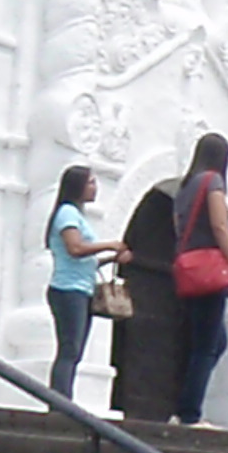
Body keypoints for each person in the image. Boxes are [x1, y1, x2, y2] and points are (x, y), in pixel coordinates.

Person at [171, 132, 228, 427]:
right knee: (206, 345)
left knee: (213, 341)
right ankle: (189, 413)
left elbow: (178, 227)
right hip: (210, 269)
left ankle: (186, 401)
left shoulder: (185, 187)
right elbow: (219, 225)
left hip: (190, 268)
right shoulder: (213, 182)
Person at [44, 165, 131, 399]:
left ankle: (62, 398)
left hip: (80, 288)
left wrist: (113, 257)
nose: (95, 187)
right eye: (91, 182)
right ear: (78, 186)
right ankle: (60, 400)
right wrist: (109, 245)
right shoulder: (68, 213)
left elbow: (86, 260)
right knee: (69, 349)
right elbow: (75, 248)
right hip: (68, 289)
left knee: (74, 350)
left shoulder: (76, 215)